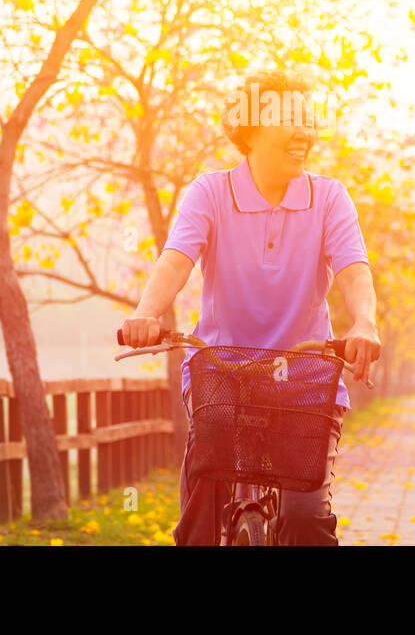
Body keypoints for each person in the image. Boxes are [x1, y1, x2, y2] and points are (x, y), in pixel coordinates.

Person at [119, 69, 380, 545]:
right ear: (251, 129)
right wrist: (146, 314)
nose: (305, 132)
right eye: (290, 119)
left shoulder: (328, 198)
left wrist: (364, 322)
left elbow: (352, 270)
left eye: (309, 120)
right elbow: (177, 259)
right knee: (199, 518)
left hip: (305, 380)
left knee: (307, 520)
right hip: (223, 375)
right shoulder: (211, 193)